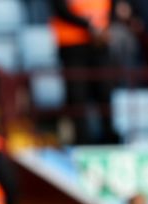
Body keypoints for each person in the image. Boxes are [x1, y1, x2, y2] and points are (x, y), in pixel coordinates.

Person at [50, 0, 116, 144]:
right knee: (77, 95)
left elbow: (112, 8)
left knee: (105, 92)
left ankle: (110, 140)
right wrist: (88, 26)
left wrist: (104, 29)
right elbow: (61, 9)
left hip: (98, 44)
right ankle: (81, 141)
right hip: (72, 45)